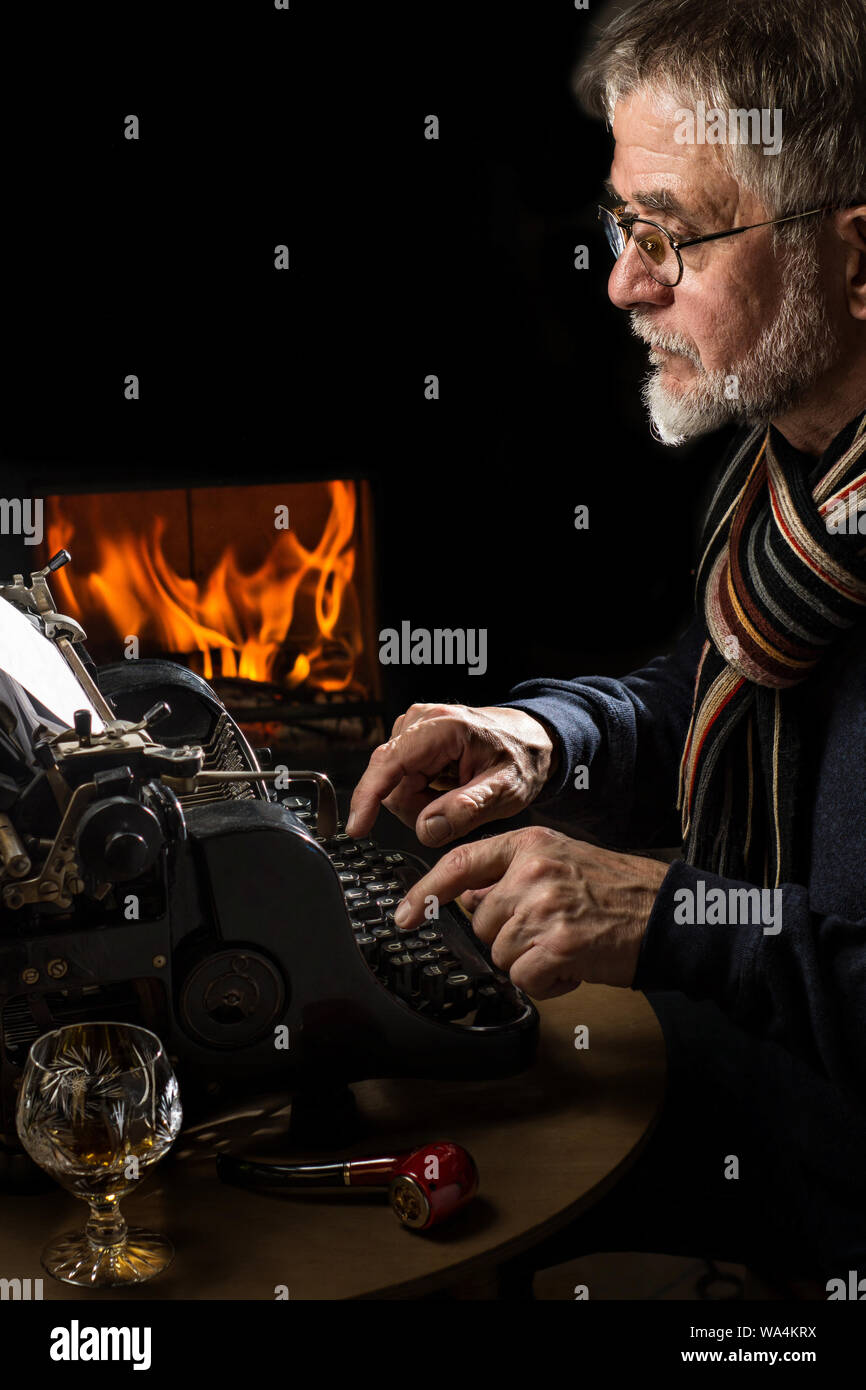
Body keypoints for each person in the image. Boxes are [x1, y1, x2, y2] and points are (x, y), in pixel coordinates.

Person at [348, 0, 866, 1293]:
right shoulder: (803, 488)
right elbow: (711, 676)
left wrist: (673, 917)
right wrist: (542, 737)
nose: (624, 282)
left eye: (671, 235)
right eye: (621, 228)